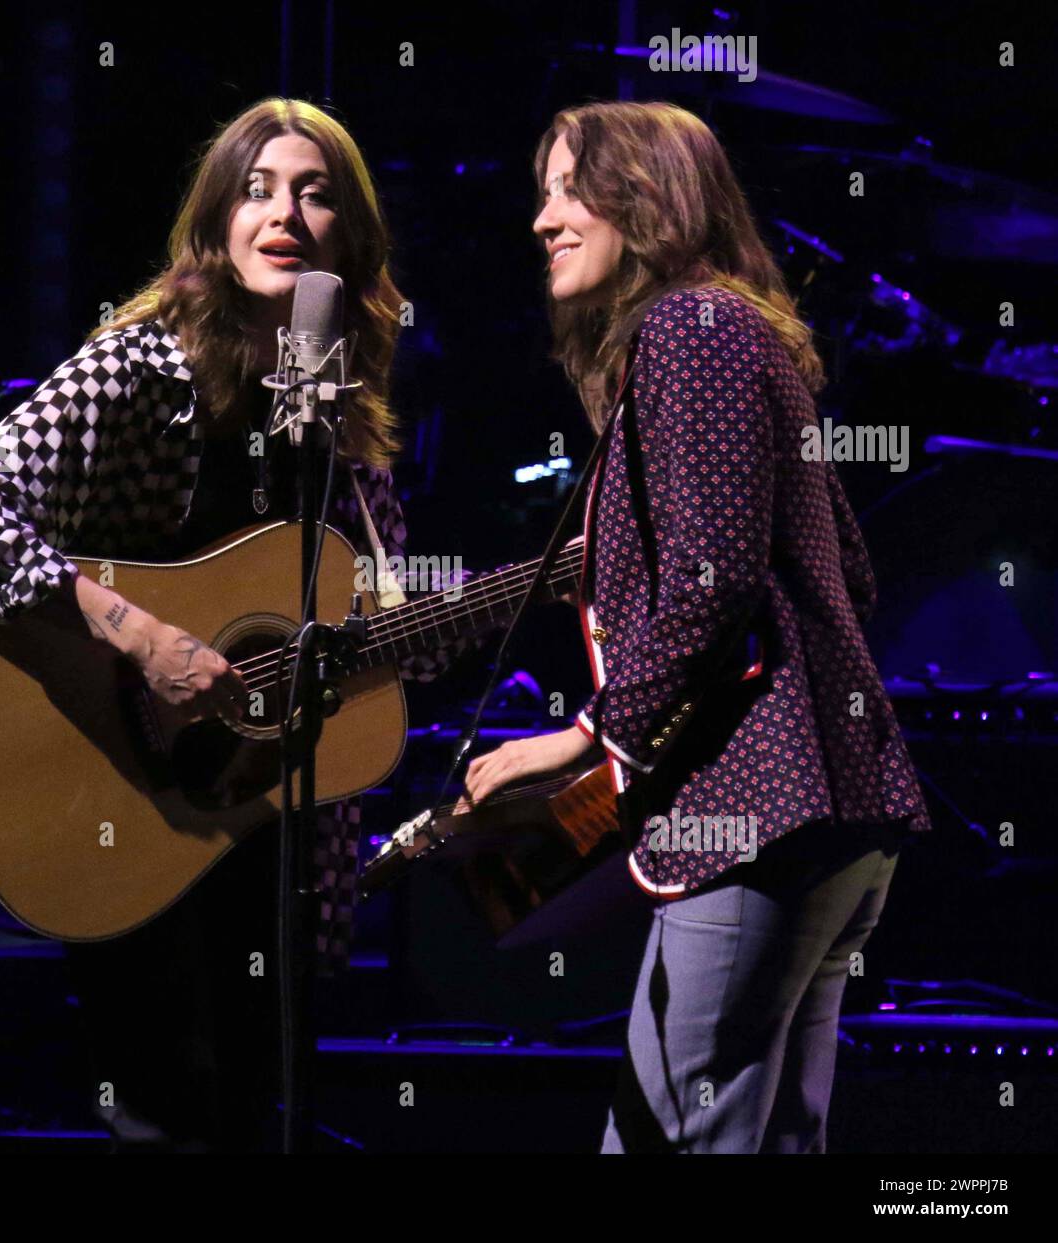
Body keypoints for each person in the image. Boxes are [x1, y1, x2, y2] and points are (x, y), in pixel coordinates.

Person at [0, 98, 470, 1152]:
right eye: (255, 191)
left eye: (315, 195)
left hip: (270, 838)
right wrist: (143, 636)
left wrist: (504, 606)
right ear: (213, 227)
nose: (286, 214)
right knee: (174, 1109)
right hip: (119, 794)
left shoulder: (341, 431)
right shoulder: (140, 372)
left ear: (351, 239)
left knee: (262, 1113)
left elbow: (378, 631)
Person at [462, 101, 931, 1154]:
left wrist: (585, 735)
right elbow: (844, 569)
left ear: (643, 196)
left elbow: (711, 583)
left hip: (761, 813)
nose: (540, 218)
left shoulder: (687, 329)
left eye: (564, 187)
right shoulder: (736, 331)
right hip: (833, 817)